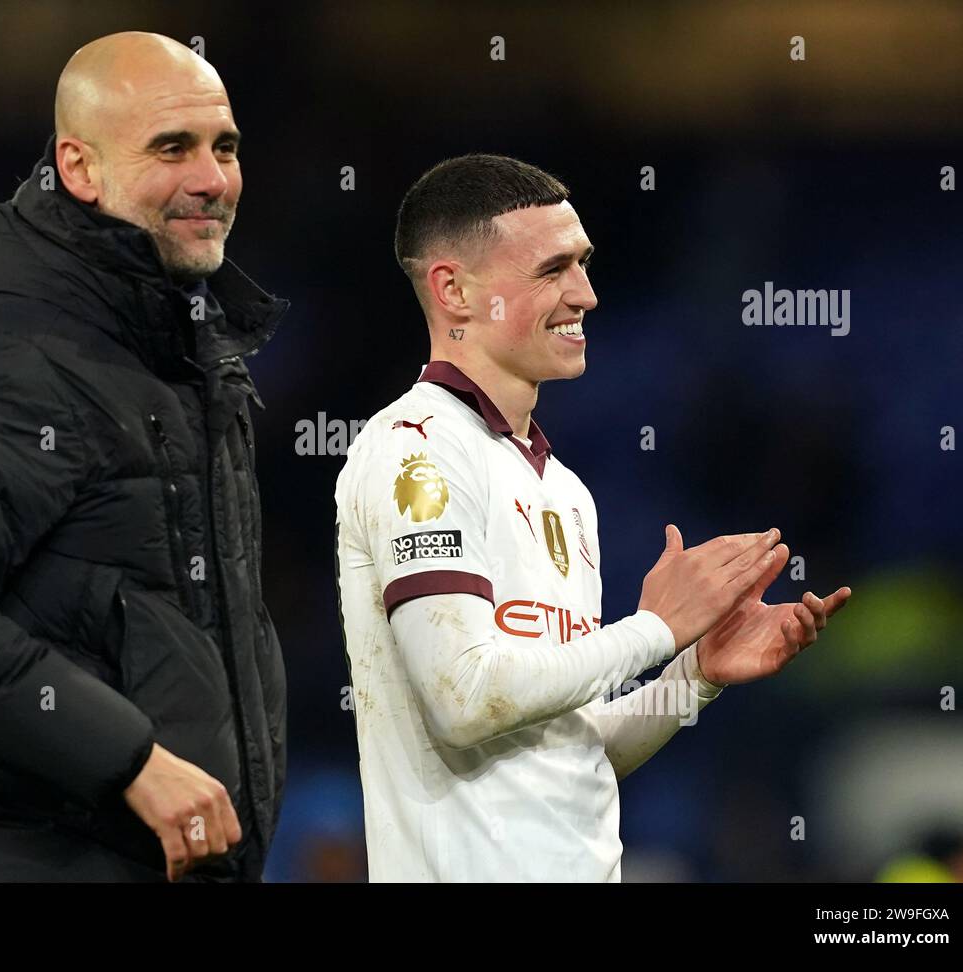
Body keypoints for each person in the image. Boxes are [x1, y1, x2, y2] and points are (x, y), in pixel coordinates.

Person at [0, 32, 288, 882]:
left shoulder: (173, 355)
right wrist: (130, 760)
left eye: (223, 147)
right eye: (172, 148)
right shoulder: (18, 353)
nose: (212, 179)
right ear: (79, 170)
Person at [333, 154, 851, 881]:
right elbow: (465, 700)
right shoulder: (415, 448)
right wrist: (655, 630)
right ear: (453, 290)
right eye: (553, 270)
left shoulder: (564, 490)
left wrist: (691, 674)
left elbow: (574, 755)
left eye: (583, 264)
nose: (587, 294)